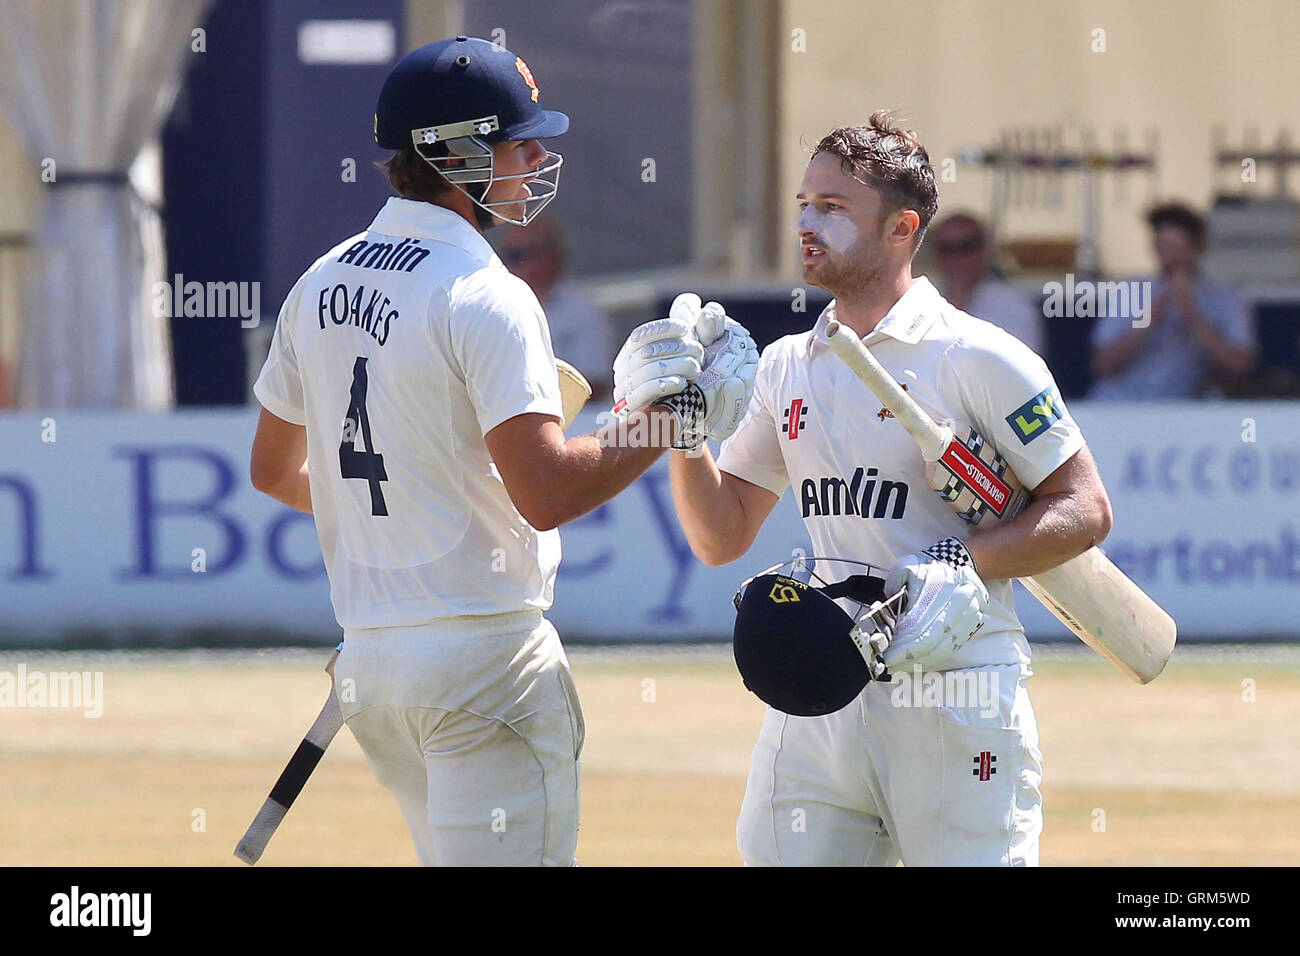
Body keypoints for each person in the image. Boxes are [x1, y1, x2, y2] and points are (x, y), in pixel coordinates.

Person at [247, 36, 756, 866]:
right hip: (483, 667)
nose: (538, 157)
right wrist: (673, 418)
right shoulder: (487, 293)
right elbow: (548, 493)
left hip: (372, 667)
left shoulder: (319, 281)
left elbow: (275, 472)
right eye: (520, 142)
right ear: (454, 154)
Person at [667, 111, 1113, 866]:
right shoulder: (785, 365)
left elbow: (1083, 509)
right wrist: (683, 432)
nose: (807, 224)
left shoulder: (978, 356)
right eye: (804, 204)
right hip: (818, 687)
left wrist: (966, 562)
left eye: (834, 209)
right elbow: (720, 535)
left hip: (956, 687)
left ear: (902, 228)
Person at [1089, 202, 1255, 399]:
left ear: (1197, 249)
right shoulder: (1131, 289)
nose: (1169, 258)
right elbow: (1102, 364)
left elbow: (1240, 365)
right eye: (1161, 247)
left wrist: (1192, 317)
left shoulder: (1225, 298)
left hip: (1180, 409)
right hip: (1117, 402)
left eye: (1177, 248)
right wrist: (1147, 322)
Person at [498, 219, 615, 399]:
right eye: (507, 256)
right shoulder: (498, 308)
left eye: (517, 256)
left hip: (574, 421)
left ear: (550, 256)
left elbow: (595, 383)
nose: (510, 266)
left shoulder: (584, 311)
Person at [931, 212, 1045, 355]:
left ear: (984, 249)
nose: (956, 257)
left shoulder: (1015, 305)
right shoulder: (923, 299)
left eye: (966, 246)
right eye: (946, 249)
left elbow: (1023, 364)